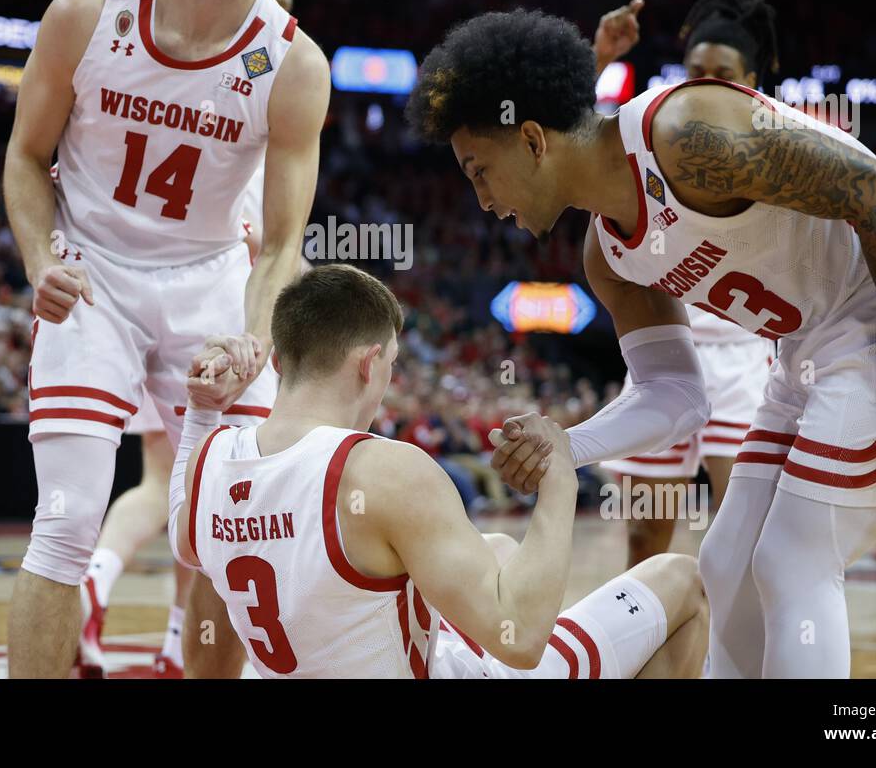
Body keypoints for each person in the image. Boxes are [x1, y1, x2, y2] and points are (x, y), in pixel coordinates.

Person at [408, 7, 876, 677]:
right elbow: (677, 398)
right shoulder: (608, 256)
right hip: (813, 337)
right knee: (726, 561)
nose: (482, 200)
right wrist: (564, 447)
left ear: (532, 141)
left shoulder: (683, 136)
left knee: (793, 557)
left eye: (479, 171)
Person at [2, 0, 330, 678]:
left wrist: (256, 334)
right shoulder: (85, 12)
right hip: (93, 277)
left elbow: (284, 239)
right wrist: (41, 261)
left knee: (222, 528)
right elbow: (24, 157)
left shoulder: (294, 64)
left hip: (211, 284)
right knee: (67, 518)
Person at [170, 264, 708, 679]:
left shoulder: (208, 461)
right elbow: (519, 639)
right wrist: (560, 474)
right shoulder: (384, 469)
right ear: (369, 362)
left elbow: (184, 543)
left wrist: (203, 408)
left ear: (281, 361)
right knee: (684, 578)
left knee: (495, 546)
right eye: (391, 365)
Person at [77, 0, 299, 679]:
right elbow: (268, 250)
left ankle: (106, 588)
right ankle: (182, 643)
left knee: (160, 483)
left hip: (128, 297)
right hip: (215, 324)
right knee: (209, 493)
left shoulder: (184, 95)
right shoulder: (259, 134)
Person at [591, 0, 778, 566]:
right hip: (664, 351)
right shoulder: (649, 128)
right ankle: (651, 655)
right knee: (646, 540)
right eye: (696, 69)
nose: (706, 80)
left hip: (745, 358)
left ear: (751, 80)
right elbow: (574, 140)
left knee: (739, 539)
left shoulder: (781, 145)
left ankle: (737, 658)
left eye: (723, 71)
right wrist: (599, 58)